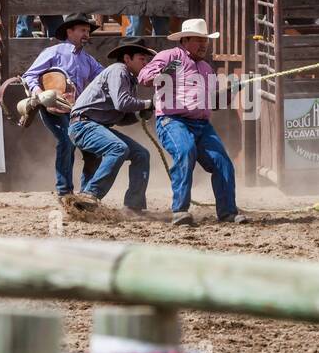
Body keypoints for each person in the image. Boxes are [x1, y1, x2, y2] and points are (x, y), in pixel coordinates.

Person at [137, 18, 244, 226]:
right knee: (185, 151)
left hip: (202, 125)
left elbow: (212, 102)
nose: (204, 44)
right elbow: (144, 76)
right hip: (172, 120)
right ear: (185, 40)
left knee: (223, 163)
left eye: (205, 40)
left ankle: (228, 212)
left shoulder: (206, 68)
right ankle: (180, 210)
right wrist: (164, 73)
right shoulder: (169, 57)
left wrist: (232, 91)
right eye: (198, 40)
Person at [67, 38, 156, 213]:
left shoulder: (128, 78)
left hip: (93, 126)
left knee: (141, 154)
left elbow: (120, 116)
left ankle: (132, 206)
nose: (145, 63)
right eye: (141, 58)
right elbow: (122, 103)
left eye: (146, 59)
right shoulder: (119, 71)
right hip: (84, 126)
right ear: (127, 58)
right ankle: (90, 195)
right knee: (118, 148)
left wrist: (139, 115)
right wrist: (147, 104)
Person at [22, 13, 105, 199]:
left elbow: (104, 76)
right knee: (67, 141)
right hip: (53, 107)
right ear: (70, 31)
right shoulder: (54, 52)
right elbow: (29, 75)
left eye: (88, 31)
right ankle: (64, 191)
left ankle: (87, 193)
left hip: (77, 110)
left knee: (91, 147)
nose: (87, 34)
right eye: (83, 30)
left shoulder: (88, 60)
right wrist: (39, 94)